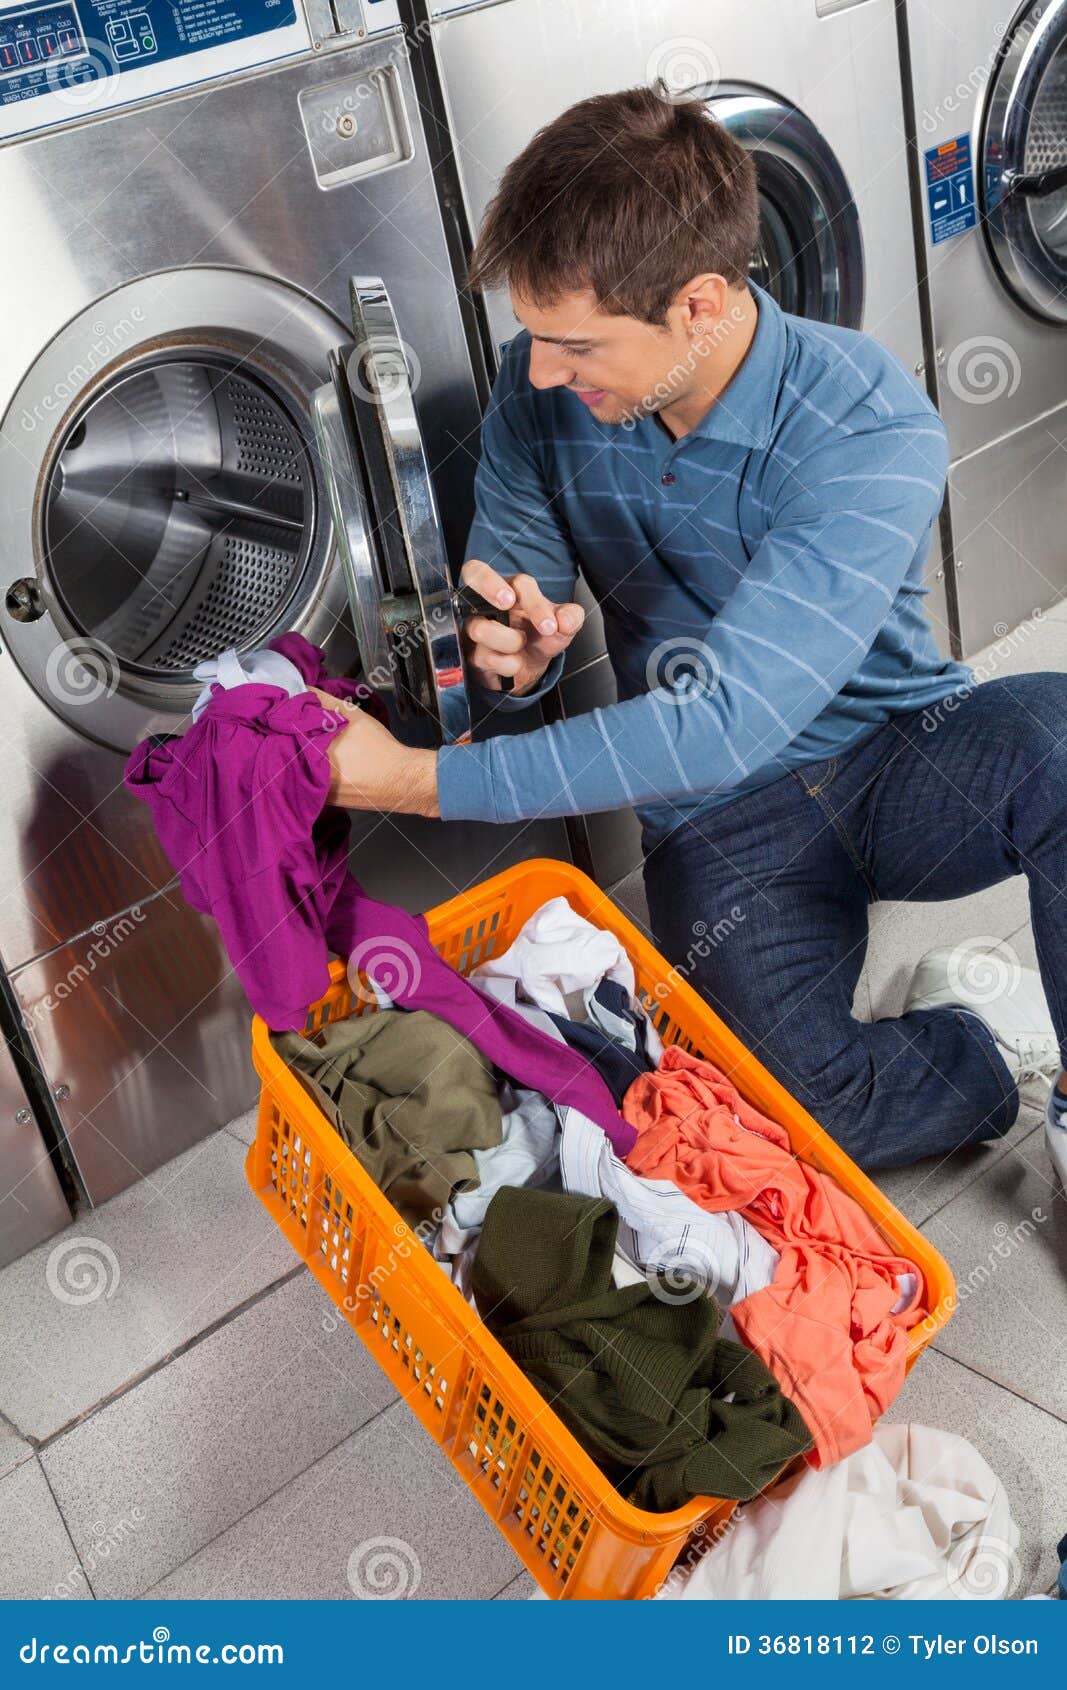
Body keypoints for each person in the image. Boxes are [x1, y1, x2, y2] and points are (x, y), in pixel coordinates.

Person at [320, 85, 1067, 1183]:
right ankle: (967, 1048)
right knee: (802, 1122)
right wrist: (513, 659)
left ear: (700, 304)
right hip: (717, 823)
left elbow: (717, 720)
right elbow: (511, 622)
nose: (536, 374)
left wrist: (412, 780)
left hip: (898, 754)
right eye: (531, 338)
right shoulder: (543, 408)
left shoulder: (862, 421)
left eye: (574, 343)